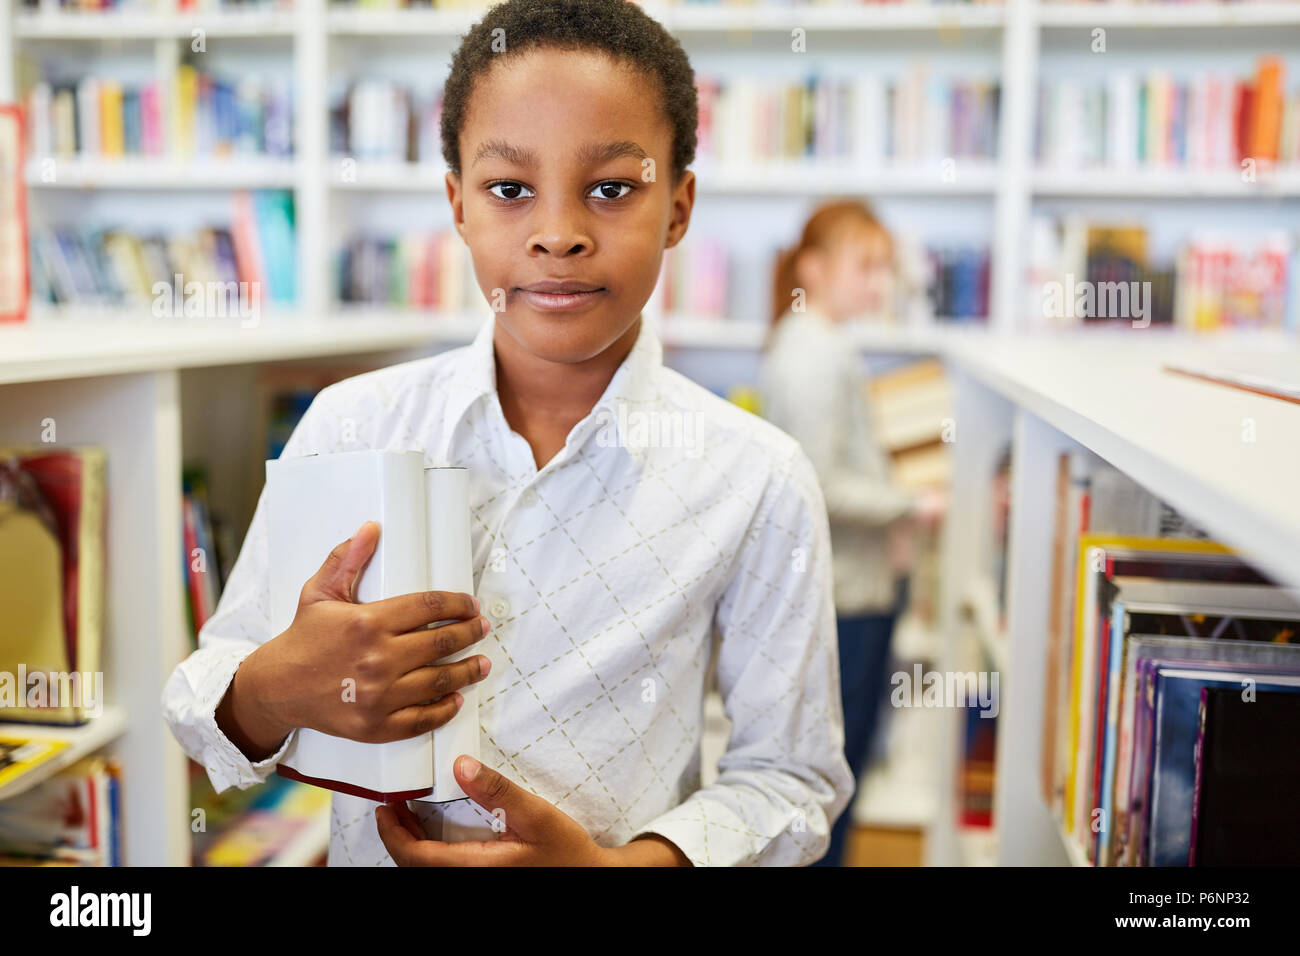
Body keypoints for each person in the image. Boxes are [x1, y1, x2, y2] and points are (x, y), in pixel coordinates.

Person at [161, 0, 854, 867]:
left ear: (678, 207)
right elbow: (202, 701)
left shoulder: (757, 476)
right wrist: (277, 686)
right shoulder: (351, 424)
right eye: (509, 190)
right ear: (457, 203)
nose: (558, 234)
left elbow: (791, 780)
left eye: (611, 188)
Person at [759, 200, 917, 867]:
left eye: (886, 268)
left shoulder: (818, 344)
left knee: (838, 766)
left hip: (851, 589)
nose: (878, 283)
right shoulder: (815, 353)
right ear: (814, 268)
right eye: (865, 265)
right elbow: (818, 479)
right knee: (835, 774)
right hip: (845, 596)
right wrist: (910, 502)